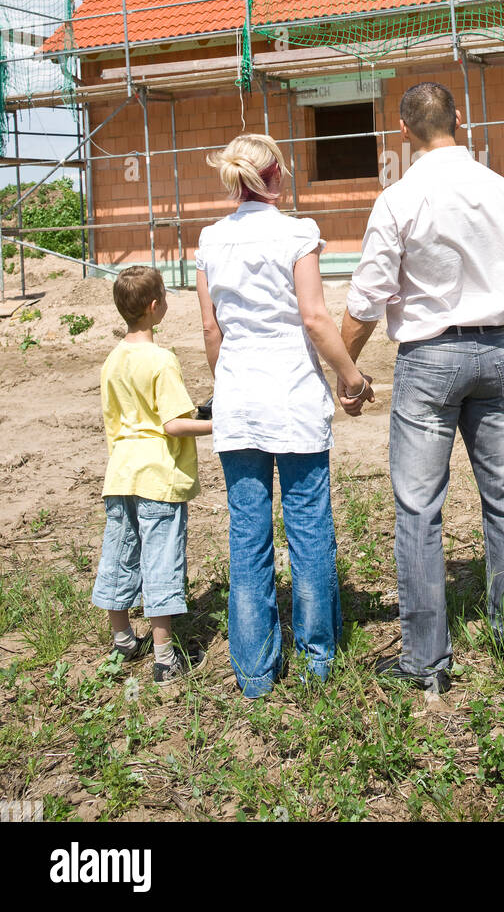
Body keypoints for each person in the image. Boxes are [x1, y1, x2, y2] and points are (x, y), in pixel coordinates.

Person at [340, 82, 504, 694]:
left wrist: (344, 373)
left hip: (429, 357)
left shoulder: (400, 198)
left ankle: (425, 661)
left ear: (402, 132)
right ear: (461, 120)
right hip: (494, 353)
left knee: (419, 508)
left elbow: (368, 296)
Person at [195, 134, 371, 698]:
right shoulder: (298, 232)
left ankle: (253, 673)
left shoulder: (209, 239)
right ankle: (318, 660)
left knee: (248, 535)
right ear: (273, 175)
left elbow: (210, 330)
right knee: (309, 529)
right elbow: (316, 318)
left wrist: (227, 384)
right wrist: (350, 375)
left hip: (238, 400)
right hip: (293, 397)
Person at [92, 266, 213, 683]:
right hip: (158, 475)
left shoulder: (112, 360)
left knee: (120, 554)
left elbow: (118, 418)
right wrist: (222, 422)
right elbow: (173, 424)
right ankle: (165, 658)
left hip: (121, 471)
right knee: (161, 560)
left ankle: (123, 639)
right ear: (154, 306)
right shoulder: (162, 360)